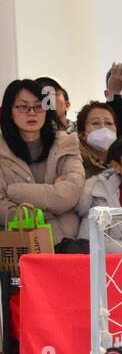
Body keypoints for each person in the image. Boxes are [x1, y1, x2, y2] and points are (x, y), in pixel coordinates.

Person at [0, 78, 85, 250]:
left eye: (39, 106)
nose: (32, 112)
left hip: (64, 240)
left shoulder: (66, 143)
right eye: (23, 107)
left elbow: (67, 196)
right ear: (9, 111)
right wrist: (52, 201)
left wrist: (13, 191)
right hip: (18, 243)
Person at [76, 100, 118, 179]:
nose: (103, 128)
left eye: (109, 123)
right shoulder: (73, 162)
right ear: (82, 134)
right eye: (95, 123)